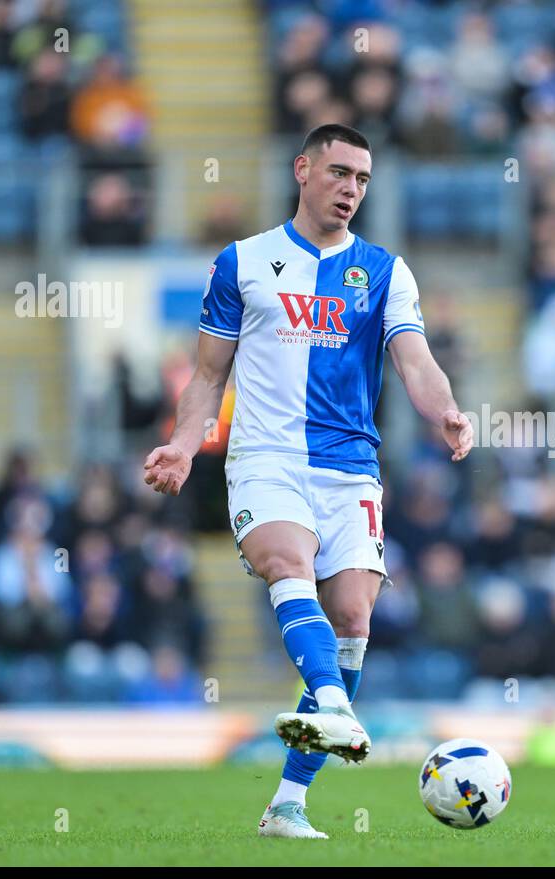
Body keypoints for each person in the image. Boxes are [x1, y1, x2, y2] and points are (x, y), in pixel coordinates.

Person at [143, 124, 473, 839]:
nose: (351, 189)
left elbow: (415, 361)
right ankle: (331, 698)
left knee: (354, 616)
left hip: (350, 465)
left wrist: (444, 407)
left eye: (363, 179)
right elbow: (208, 373)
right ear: (303, 169)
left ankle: (287, 803)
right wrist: (181, 444)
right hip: (265, 457)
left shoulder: (385, 270)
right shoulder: (243, 262)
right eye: (340, 173)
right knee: (287, 564)